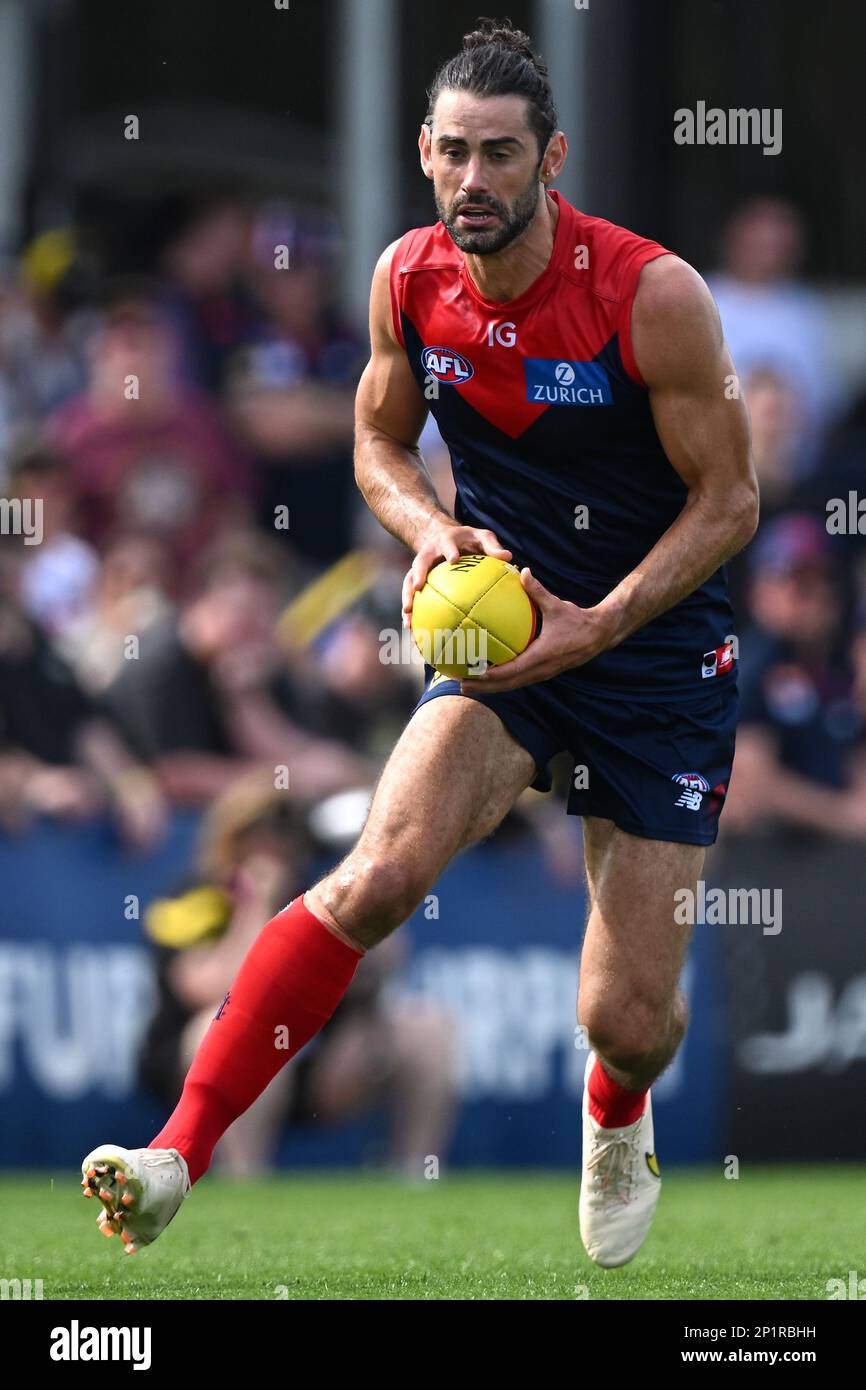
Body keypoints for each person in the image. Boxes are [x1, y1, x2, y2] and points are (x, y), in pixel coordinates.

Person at [81, 19, 758, 1267]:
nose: (474, 181)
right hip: (501, 635)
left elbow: (730, 502)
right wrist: (435, 532)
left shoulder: (649, 296)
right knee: (375, 872)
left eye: (501, 155)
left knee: (628, 1016)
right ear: (422, 153)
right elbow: (376, 449)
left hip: (653, 651)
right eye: (453, 153)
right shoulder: (407, 280)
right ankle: (175, 1152)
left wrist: (602, 619)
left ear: (549, 158)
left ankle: (616, 1110)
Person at [139, 773, 457, 1178]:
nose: (273, 847)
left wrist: (367, 897)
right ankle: (245, 1180)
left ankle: (416, 1176)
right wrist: (257, 907)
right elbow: (210, 989)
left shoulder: (319, 893)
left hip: (319, 1064)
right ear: (230, 840)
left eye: (285, 833)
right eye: (259, 832)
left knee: (426, 1028)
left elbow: (389, 961)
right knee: (247, 1033)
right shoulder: (194, 897)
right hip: (209, 1066)